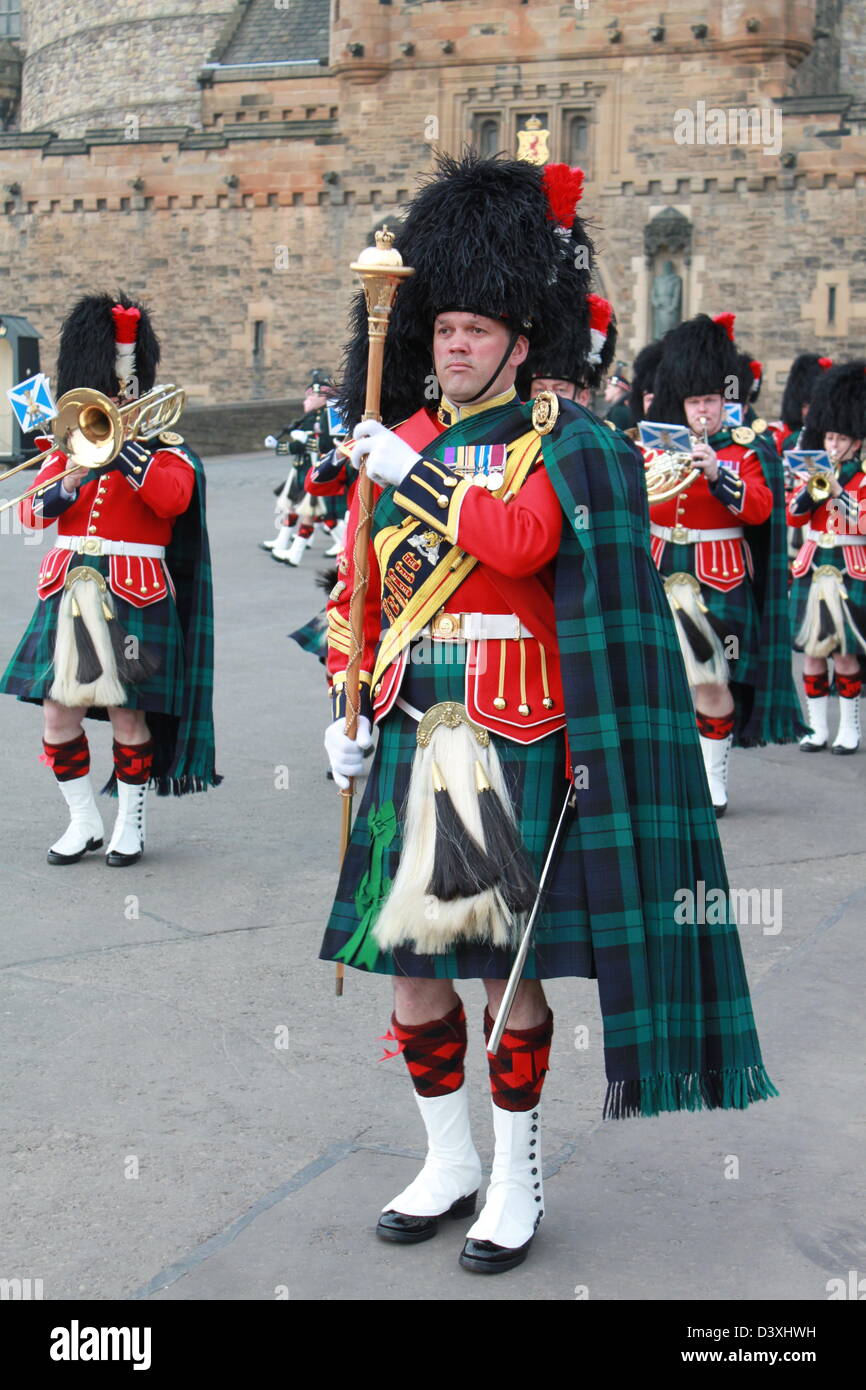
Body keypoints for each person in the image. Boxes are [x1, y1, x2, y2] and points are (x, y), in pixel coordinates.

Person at [318, 152, 777, 1276]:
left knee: (499, 975)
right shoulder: (405, 442)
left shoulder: (561, 439)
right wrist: (342, 698)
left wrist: (410, 475)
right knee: (409, 970)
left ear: (523, 339)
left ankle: (515, 1171)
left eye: (478, 328)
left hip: (509, 731)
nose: (455, 344)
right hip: (409, 722)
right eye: (445, 328)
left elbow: (521, 541)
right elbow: (357, 589)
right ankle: (447, 1159)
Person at [0, 293, 220, 865]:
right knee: (57, 714)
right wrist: (68, 479)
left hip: (134, 587)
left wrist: (124, 453)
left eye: (122, 384)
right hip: (68, 585)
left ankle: (130, 822)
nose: (114, 396)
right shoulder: (64, 444)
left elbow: (173, 500)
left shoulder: (163, 448)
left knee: (128, 713)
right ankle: (82, 820)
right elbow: (28, 515)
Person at [641, 312, 805, 813]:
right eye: (696, 402)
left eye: (711, 401)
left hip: (721, 573)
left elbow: (759, 508)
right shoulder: (652, 446)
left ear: (723, 401)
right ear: (683, 402)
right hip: (663, 565)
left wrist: (718, 474)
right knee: (663, 682)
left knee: (714, 679)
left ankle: (714, 779)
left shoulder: (744, 450)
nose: (704, 411)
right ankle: (675, 779)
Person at [788, 360, 866, 754]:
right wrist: (812, 491)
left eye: (840, 439)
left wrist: (838, 493)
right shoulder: (813, 473)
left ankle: (848, 728)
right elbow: (793, 515)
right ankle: (816, 728)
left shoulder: (863, 478)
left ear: (856, 441)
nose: (833, 445)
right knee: (813, 655)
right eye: (829, 437)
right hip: (814, 562)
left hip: (851, 568)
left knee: (846, 656)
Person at [264, 369, 340, 565]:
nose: (307, 401)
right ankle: (287, 546)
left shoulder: (324, 416)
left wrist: (284, 446)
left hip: (317, 469)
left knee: (323, 516)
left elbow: (326, 444)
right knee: (301, 510)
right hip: (304, 469)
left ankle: (342, 546)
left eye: (312, 396)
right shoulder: (312, 416)